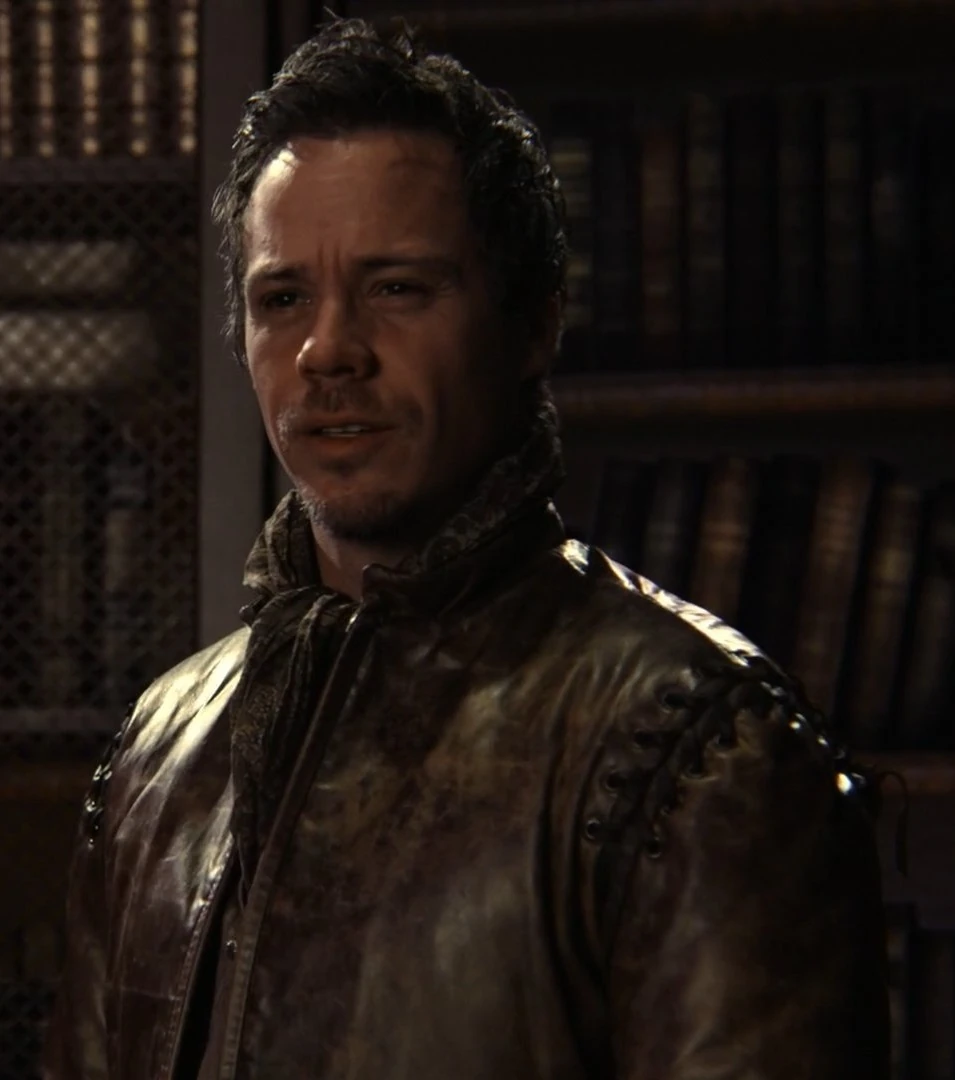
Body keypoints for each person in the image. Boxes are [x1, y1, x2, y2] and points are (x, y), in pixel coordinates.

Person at [45, 17, 889, 1080]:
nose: (328, 350)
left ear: (531, 325)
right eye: (283, 298)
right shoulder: (158, 754)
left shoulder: (693, 750)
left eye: (397, 287)